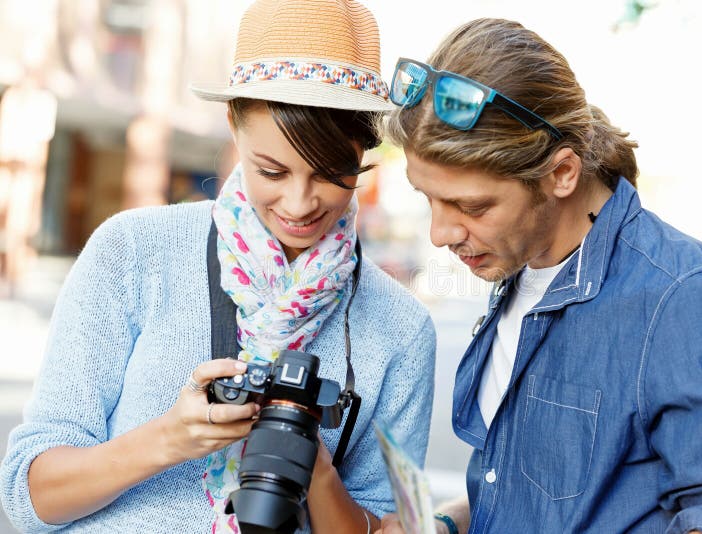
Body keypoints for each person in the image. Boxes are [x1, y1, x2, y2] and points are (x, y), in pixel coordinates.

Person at [0, 1, 436, 532]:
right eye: (271, 171)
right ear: (234, 126)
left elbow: (396, 526)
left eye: (332, 174)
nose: (299, 204)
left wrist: (312, 464)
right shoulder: (134, 251)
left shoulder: (402, 330)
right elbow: (28, 498)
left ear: (366, 148)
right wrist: (169, 438)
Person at [377, 17, 702, 534]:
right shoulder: (522, 264)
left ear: (562, 174)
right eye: (429, 200)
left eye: (472, 206)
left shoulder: (687, 302)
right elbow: (532, 492)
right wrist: (444, 524)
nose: (440, 233)